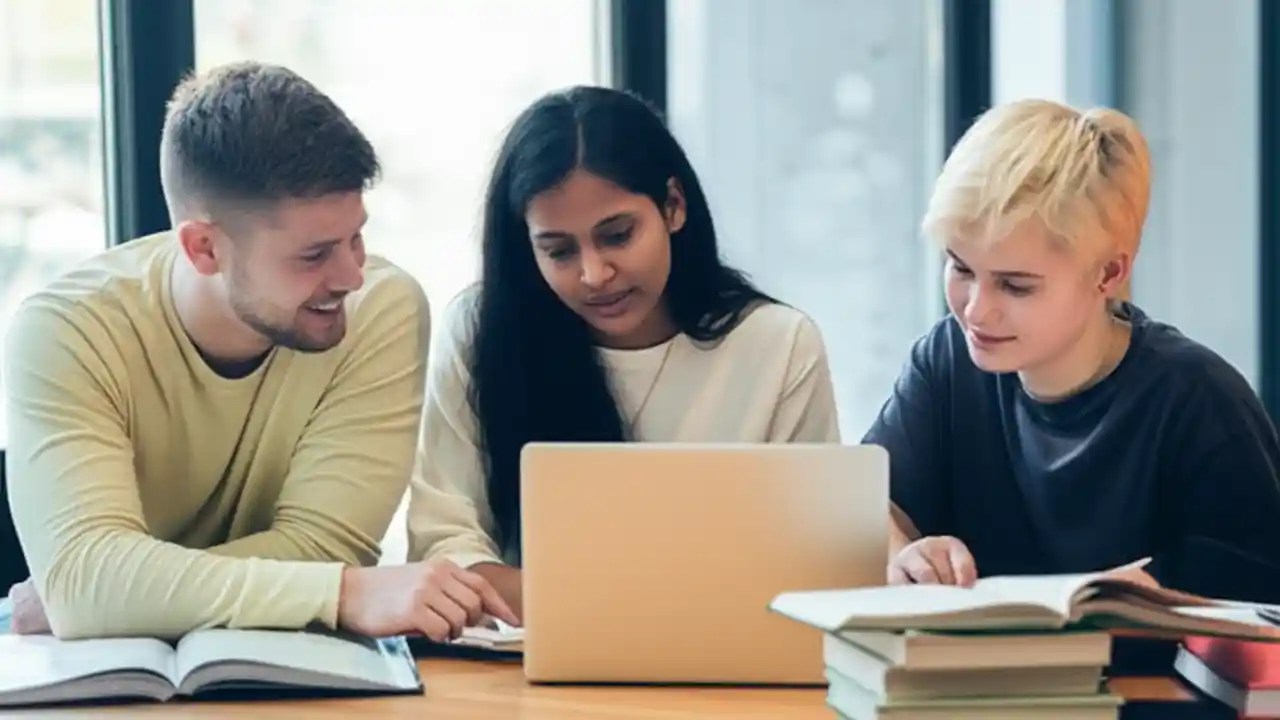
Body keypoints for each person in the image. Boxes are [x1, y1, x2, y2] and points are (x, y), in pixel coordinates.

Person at [3, 61, 517, 641]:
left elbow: (324, 545)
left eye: (356, 237)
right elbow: (88, 584)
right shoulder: (66, 329)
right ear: (203, 249)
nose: (351, 275)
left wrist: (124, 592)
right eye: (314, 254)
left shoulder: (380, 309)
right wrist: (343, 592)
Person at [404, 86, 840, 621]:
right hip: (525, 672)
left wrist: (595, 604)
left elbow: (813, 565)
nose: (594, 275)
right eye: (559, 250)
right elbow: (443, 542)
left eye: (617, 235)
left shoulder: (779, 345)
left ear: (674, 206)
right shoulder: (480, 332)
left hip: (728, 664)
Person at [872, 98, 1280, 602]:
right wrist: (903, 553)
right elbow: (867, 506)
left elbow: (1257, 588)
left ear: (1109, 273)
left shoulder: (1197, 399)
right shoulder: (945, 362)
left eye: (1015, 286)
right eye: (960, 268)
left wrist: (1158, 591)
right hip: (968, 679)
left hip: (1148, 683)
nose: (976, 311)